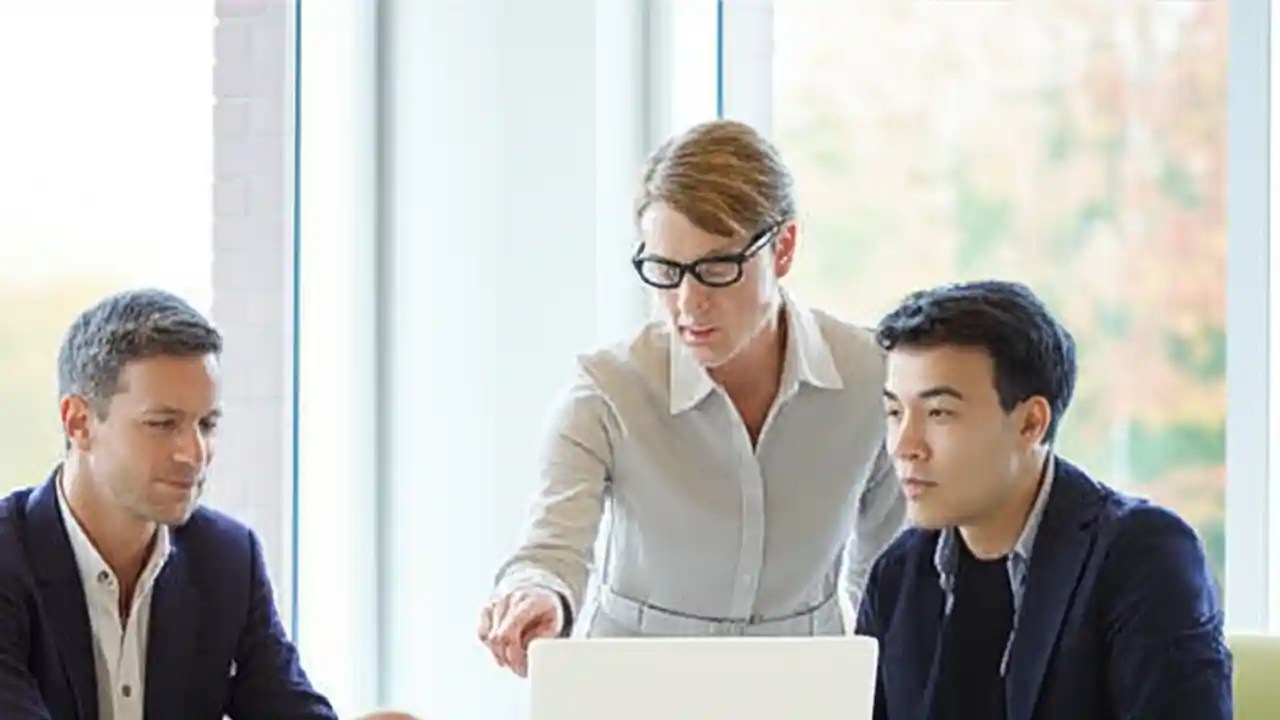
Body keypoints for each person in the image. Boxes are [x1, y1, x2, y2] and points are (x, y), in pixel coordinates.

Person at [478, 119, 907, 677]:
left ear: (783, 248)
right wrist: (537, 595)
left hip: (802, 691)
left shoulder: (872, 378)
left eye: (716, 268)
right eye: (665, 270)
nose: (688, 303)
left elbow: (887, 578)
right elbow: (550, 551)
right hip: (633, 691)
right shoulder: (606, 390)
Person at [0, 289, 416, 720]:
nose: (193, 453)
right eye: (162, 424)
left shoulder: (228, 559)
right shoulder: (9, 559)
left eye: (207, 424)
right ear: (79, 422)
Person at [857, 280, 1232, 719]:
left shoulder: (1143, 555)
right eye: (895, 412)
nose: (905, 445)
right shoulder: (899, 574)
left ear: (1031, 423)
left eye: (939, 413)